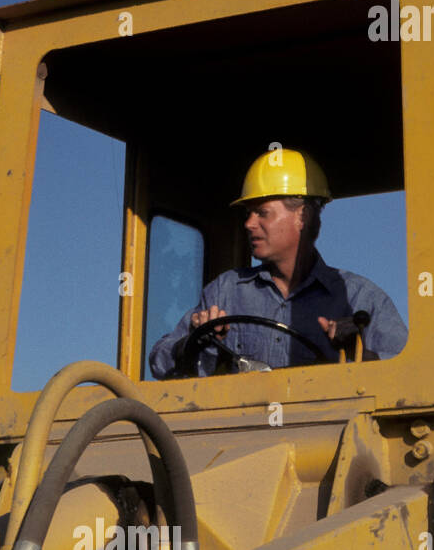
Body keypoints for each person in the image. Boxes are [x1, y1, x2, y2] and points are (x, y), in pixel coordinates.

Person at [148, 148, 408, 378]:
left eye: (262, 213)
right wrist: (193, 340)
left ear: (302, 217)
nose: (249, 224)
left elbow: (407, 373)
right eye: (248, 213)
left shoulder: (360, 299)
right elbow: (159, 363)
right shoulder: (225, 291)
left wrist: (360, 353)